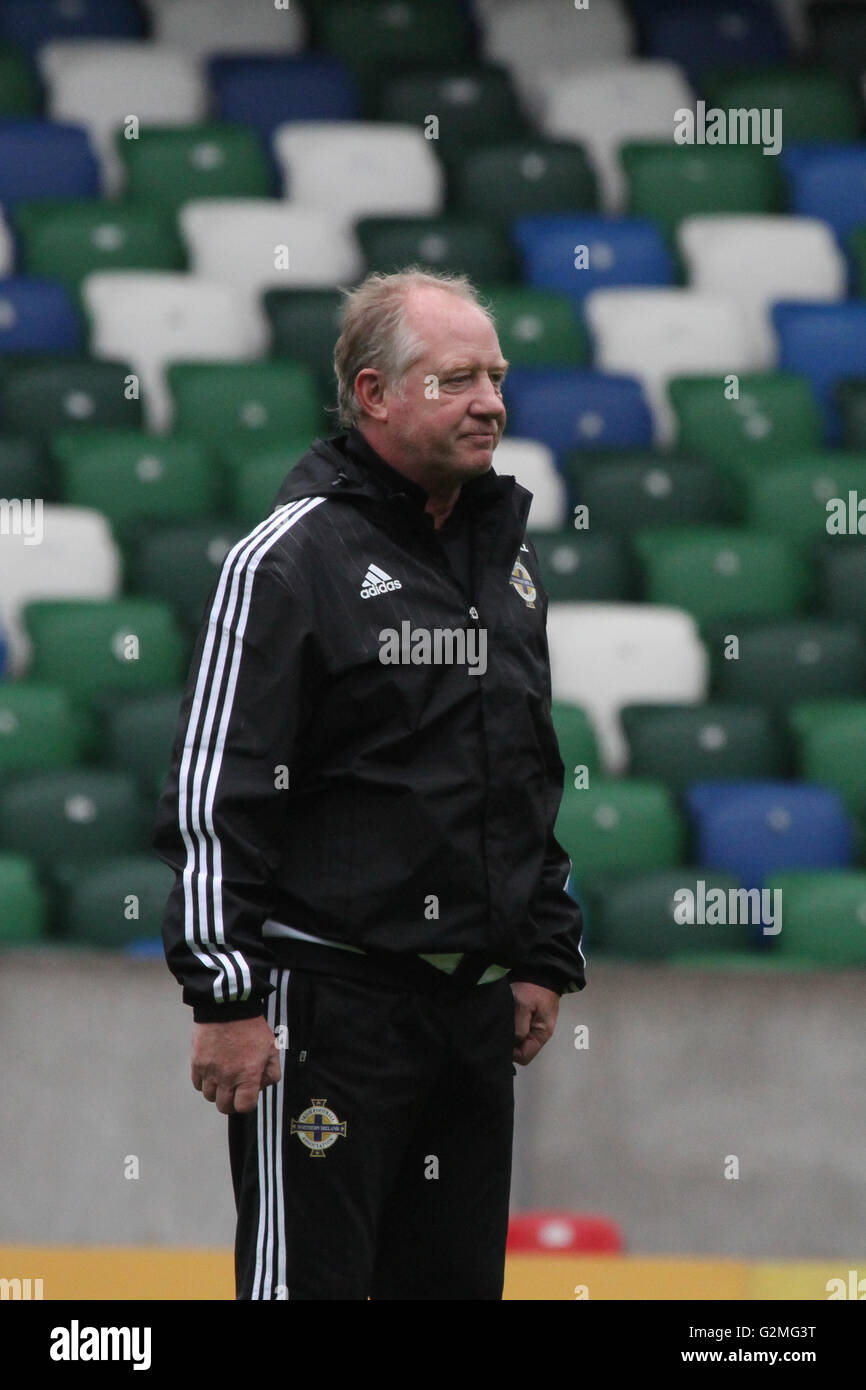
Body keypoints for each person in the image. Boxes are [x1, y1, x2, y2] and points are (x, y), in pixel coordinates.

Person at [153, 267, 586, 1301]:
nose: (488, 401)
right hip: (327, 1008)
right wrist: (226, 992)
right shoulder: (285, 560)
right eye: (453, 380)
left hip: (470, 1015)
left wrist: (537, 946)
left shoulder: (504, 560)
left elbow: (520, 763)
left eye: (494, 376)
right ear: (371, 394)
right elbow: (219, 786)